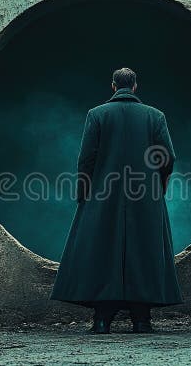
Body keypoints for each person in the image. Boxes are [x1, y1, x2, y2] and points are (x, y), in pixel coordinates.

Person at [50, 67, 183, 334]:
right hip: (145, 195)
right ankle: (141, 320)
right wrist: (158, 185)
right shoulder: (155, 116)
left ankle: (102, 320)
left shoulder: (97, 115)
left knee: (103, 253)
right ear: (135, 87)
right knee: (143, 252)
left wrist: (83, 193)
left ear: (113, 86)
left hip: (103, 194)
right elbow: (167, 158)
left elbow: (86, 159)